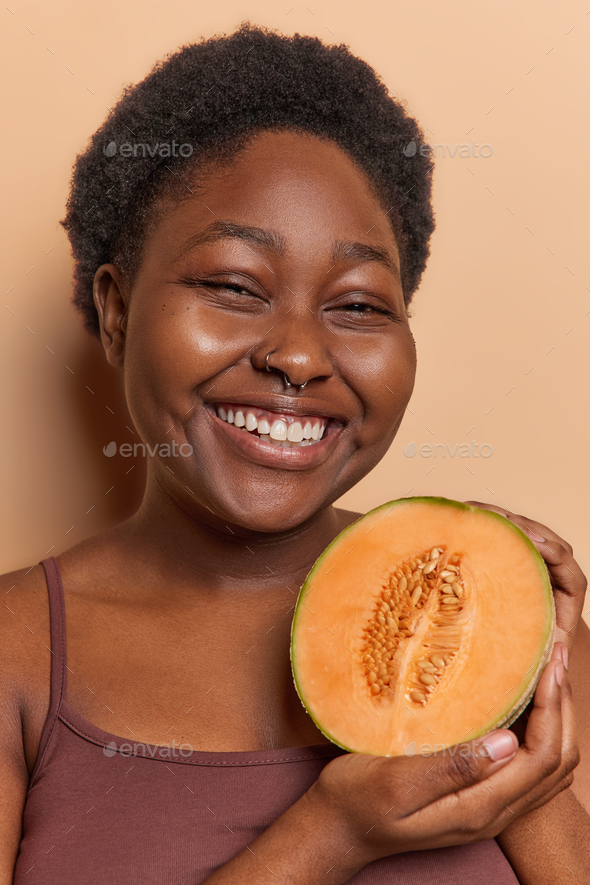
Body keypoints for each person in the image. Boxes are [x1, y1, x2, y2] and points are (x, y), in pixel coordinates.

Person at [1, 22, 589, 884]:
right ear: (117, 312)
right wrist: (329, 835)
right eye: (234, 286)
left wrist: (503, 710)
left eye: (358, 305)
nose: (301, 356)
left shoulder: (517, 630)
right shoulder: (16, 650)